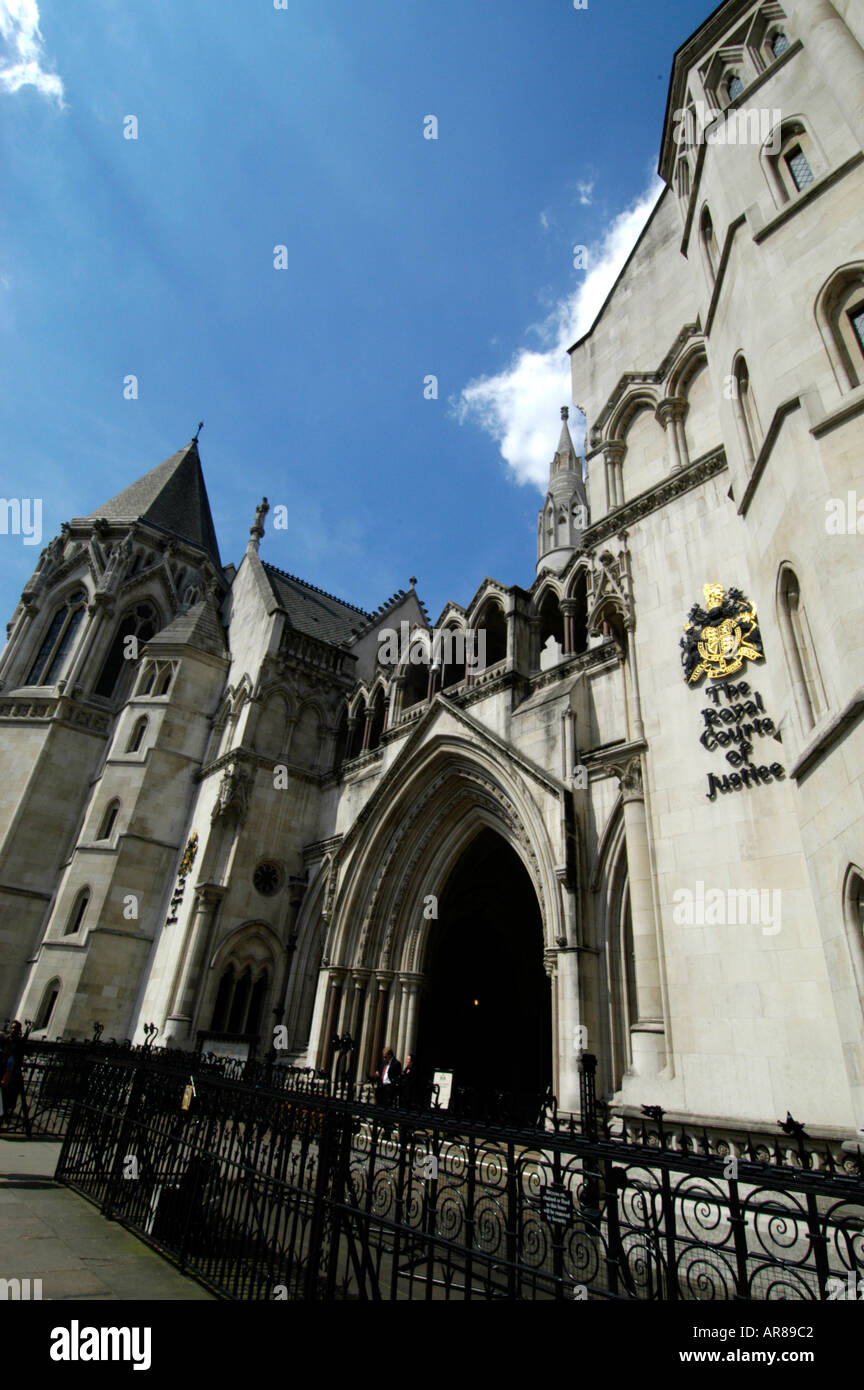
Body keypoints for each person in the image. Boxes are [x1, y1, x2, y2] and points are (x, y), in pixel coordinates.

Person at [0, 1021, 24, 1128]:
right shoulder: (5, 1039)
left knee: (9, 1094)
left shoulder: (20, 1043)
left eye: (16, 1028)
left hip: (12, 1071)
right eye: (12, 1028)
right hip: (3, 1068)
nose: (13, 1030)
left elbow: (20, 1057)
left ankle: (5, 1114)